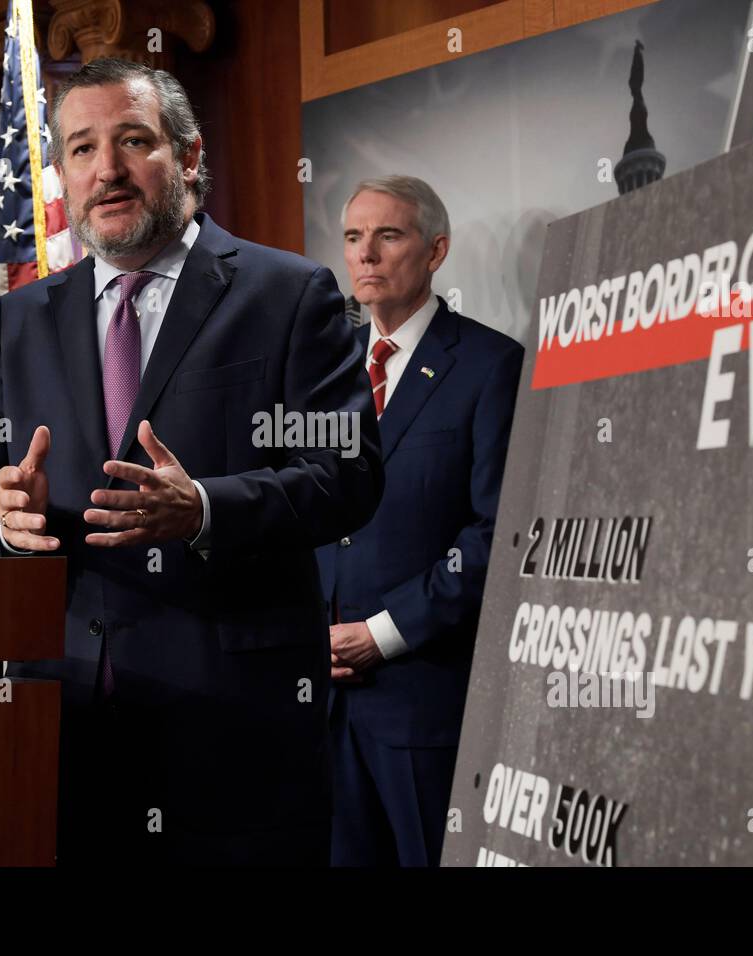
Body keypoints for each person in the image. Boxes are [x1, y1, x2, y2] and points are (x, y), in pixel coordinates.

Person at [0, 58, 382, 866]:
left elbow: (345, 476)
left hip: (234, 724)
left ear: (189, 156)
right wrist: (3, 517)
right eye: (81, 149)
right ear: (63, 174)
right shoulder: (19, 320)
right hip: (66, 717)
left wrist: (205, 508)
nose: (106, 169)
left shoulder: (288, 294)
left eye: (133, 141)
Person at [317, 176, 524, 866]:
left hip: (425, 705)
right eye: (353, 237)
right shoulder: (323, 373)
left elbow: (500, 534)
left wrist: (380, 635)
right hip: (325, 703)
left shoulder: (492, 366)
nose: (366, 254)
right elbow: (299, 512)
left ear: (436, 250)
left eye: (388, 235)